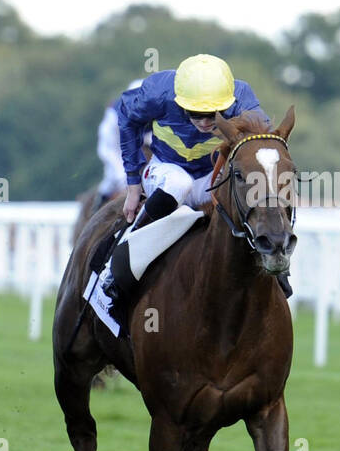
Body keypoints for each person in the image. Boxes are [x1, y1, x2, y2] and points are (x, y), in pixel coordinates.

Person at [101, 53, 288, 301]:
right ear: (180, 100)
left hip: (211, 174)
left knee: (242, 191)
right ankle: (123, 256)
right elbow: (125, 116)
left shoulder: (241, 96)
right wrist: (133, 184)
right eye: (195, 113)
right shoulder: (158, 91)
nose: (204, 122)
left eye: (213, 114)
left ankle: (275, 261)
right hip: (166, 168)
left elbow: (265, 143)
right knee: (180, 184)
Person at [95, 78, 144, 210]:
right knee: (112, 179)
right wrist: (124, 178)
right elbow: (108, 150)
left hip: (137, 148)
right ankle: (96, 211)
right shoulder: (114, 117)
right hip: (114, 148)